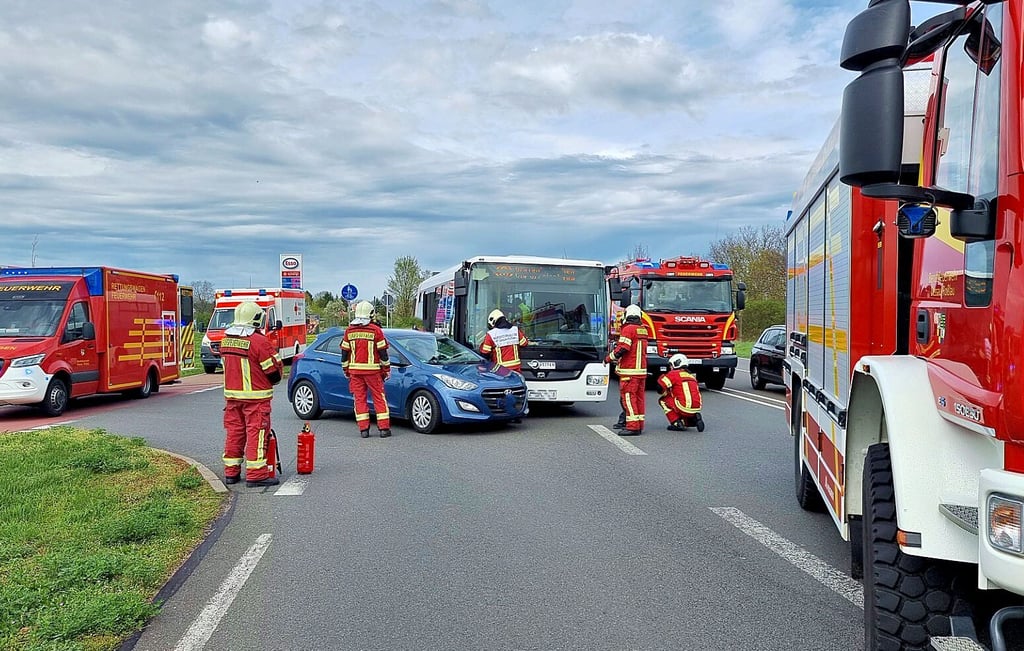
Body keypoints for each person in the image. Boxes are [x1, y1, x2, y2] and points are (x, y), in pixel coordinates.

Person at [221, 301, 284, 487]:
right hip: (255, 398)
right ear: (257, 319)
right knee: (256, 433)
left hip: (232, 398)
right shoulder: (259, 342)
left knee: (235, 433)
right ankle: (256, 474)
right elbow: (273, 372)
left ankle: (231, 472)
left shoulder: (226, 340)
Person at [342, 301, 392, 438]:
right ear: (371, 314)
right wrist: (386, 369)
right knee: (379, 398)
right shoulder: (376, 331)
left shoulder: (349, 331)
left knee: (359, 399)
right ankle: (383, 429)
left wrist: (346, 370)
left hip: (355, 372)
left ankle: (364, 430)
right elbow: (383, 353)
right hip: (373, 372)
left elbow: (345, 353)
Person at [605, 304, 649, 436]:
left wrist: (608, 358)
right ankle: (639, 423)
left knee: (629, 398)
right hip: (641, 371)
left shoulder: (628, 329)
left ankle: (633, 426)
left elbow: (623, 348)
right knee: (639, 399)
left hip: (630, 371)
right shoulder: (643, 330)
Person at [657, 353, 705, 432]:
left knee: (663, 400)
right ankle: (694, 419)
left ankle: (676, 423)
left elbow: (660, 387)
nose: (670, 367)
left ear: (676, 364)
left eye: (671, 365)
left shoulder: (674, 374)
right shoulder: (691, 376)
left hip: (683, 406)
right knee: (680, 400)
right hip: (697, 407)